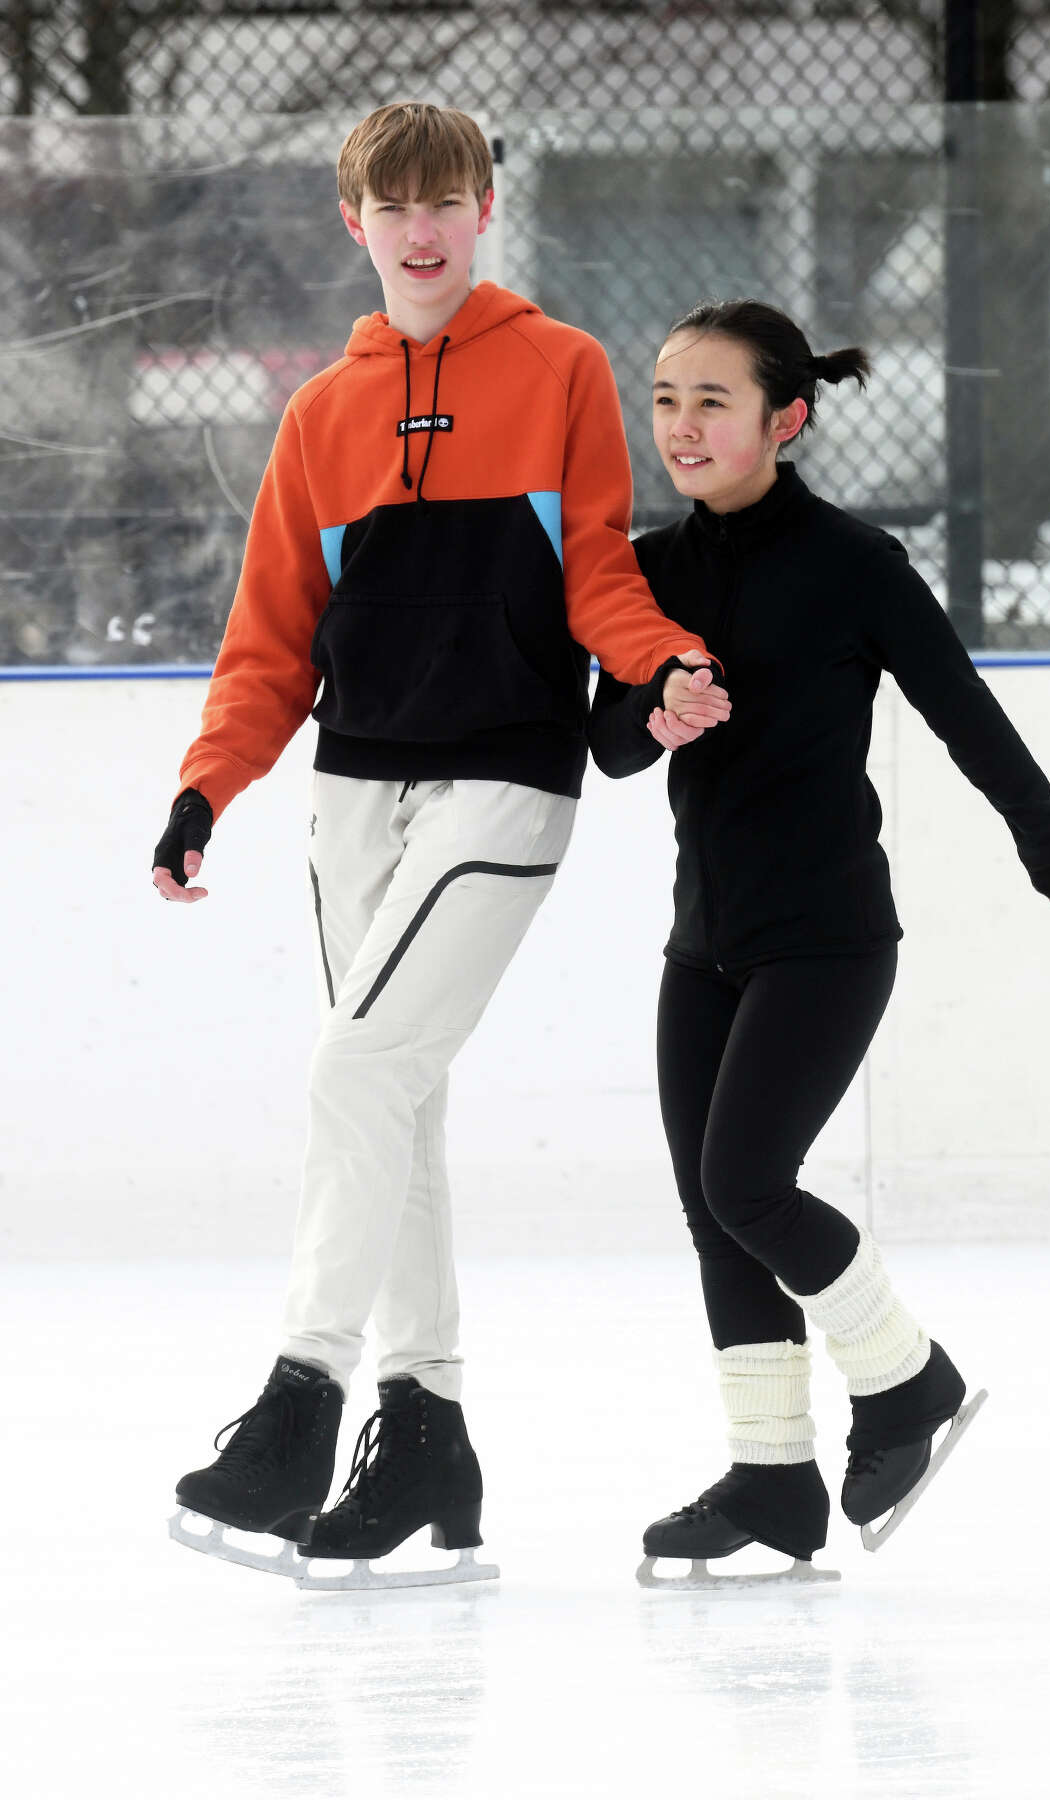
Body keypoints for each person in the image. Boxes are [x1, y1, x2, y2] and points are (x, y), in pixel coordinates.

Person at [153, 102, 732, 1579]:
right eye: (392, 207)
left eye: (445, 202)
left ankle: (301, 1399)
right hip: (355, 788)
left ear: (485, 210)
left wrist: (659, 658)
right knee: (392, 1096)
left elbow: (597, 566)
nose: (421, 231)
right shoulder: (320, 417)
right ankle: (429, 1429)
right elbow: (272, 639)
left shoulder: (558, 370)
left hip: (503, 782)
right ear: (356, 224)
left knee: (356, 1067)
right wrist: (206, 787)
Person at [588, 299, 1050, 1572]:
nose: (683, 424)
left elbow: (959, 708)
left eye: (713, 399)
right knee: (715, 1215)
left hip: (826, 938)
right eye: (664, 398)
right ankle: (772, 1480)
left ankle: (908, 1381)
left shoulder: (856, 562)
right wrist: (657, 715)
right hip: (702, 940)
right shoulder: (649, 571)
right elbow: (601, 746)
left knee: (745, 1182)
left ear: (786, 418)